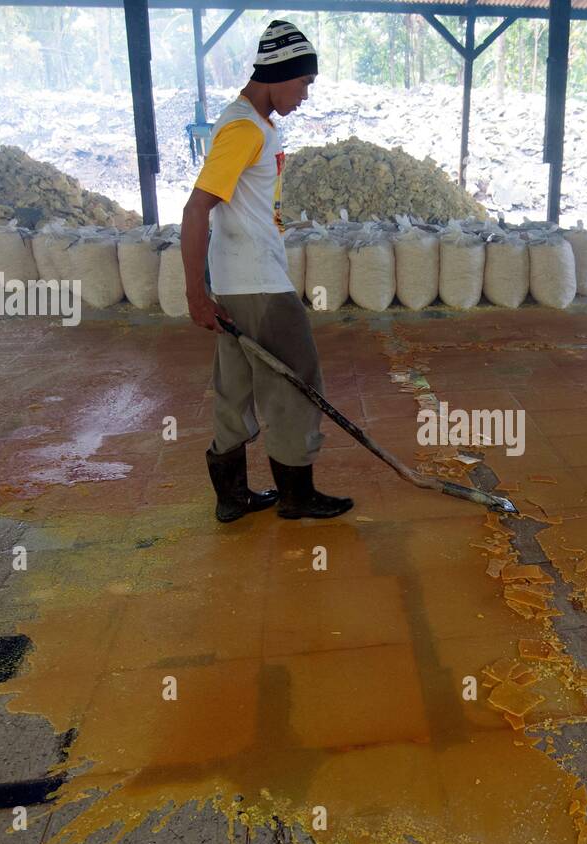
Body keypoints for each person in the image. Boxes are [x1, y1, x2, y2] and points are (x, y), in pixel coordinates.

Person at [181, 20, 352, 523]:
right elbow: (196, 211)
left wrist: (210, 289)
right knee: (297, 381)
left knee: (235, 388)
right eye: (303, 83)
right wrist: (194, 293)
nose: (305, 95)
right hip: (259, 285)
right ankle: (297, 495)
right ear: (278, 74)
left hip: (237, 284)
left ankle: (232, 498)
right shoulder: (242, 129)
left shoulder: (252, 123)